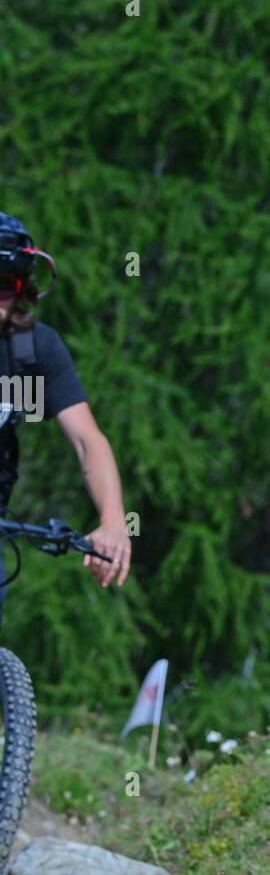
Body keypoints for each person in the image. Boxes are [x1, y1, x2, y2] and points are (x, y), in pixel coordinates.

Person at [0, 212, 131, 612]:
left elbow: (87, 440)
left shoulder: (31, 349)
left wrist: (112, 521)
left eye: (3, 285)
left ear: (23, 288)